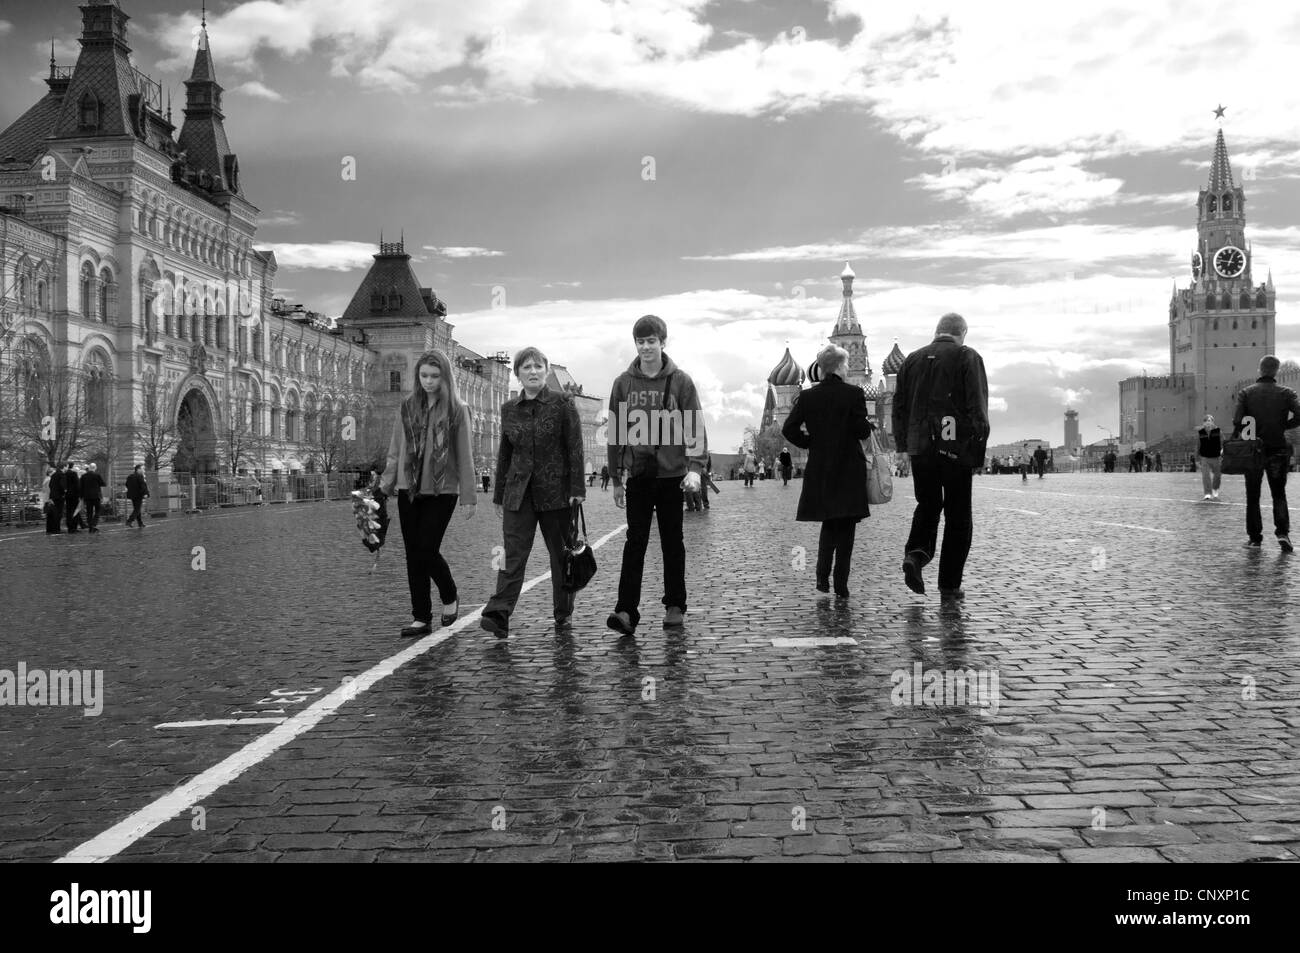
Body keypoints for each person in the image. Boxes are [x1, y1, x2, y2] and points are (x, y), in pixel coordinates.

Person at [605, 314, 707, 636]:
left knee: (671, 542)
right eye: (641, 341)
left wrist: (694, 468)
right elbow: (615, 433)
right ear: (635, 344)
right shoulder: (623, 383)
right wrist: (617, 478)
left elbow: (694, 426)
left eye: (652, 341)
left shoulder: (681, 382)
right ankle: (625, 611)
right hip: (638, 475)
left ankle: (675, 604)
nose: (646, 347)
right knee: (634, 542)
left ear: (663, 342)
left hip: (671, 476)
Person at [481, 348, 585, 639]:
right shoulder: (508, 409)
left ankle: (562, 611)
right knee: (513, 554)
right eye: (526, 367)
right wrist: (499, 492)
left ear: (546, 369)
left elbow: (575, 448)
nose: (533, 371)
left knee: (560, 556)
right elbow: (505, 453)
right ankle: (499, 613)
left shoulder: (562, 403)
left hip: (557, 492)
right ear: (518, 374)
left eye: (538, 366)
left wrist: (577, 488)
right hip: (518, 493)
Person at [892, 312, 990, 600]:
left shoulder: (911, 360)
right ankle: (949, 583)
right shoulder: (966, 356)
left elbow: (898, 407)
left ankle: (916, 555)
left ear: (937, 331)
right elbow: (977, 407)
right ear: (962, 333)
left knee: (928, 505)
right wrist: (976, 454)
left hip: (921, 447)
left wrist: (903, 446)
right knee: (958, 515)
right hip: (954, 449)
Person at [380, 349, 477, 637]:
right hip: (408, 489)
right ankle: (421, 617)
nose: (429, 381)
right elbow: (396, 450)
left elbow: (465, 456)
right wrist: (384, 486)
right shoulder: (407, 406)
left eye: (435, 376)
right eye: (424, 375)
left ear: (445, 376)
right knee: (413, 554)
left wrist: (469, 496)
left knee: (426, 549)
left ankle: (449, 594)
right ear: (417, 376)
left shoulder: (458, 410)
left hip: (442, 491)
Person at [781, 344, 872, 598]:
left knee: (829, 523)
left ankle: (822, 578)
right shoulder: (854, 393)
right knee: (847, 526)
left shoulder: (809, 397)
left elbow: (789, 429)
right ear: (841, 367)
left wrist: (811, 443)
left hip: (821, 467)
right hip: (849, 468)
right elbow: (862, 430)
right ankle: (841, 584)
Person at [1232, 354, 1300, 551]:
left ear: (1260, 370)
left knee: (1252, 495)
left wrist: (1249, 433)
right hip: (1278, 448)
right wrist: (1283, 425)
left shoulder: (1246, 393)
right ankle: (1282, 533)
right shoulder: (1287, 392)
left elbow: (1238, 421)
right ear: (1276, 371)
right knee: (1279, 493)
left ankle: (1255, 538)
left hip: (1254, 450)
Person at [1196, 414, 1223, 501]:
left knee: (1217, 475)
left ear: (1213, 422)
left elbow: (1223, 442)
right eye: (1206, 421)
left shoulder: (1218, 432)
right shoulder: (1201, 433)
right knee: (1205, 476)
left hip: (1216, 457)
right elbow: (1197, 446)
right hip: (1205, 458)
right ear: (1204, 423)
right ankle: (1207, 493)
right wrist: (1196, 459)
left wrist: (1223, 450)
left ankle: (1215, 490)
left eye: (1210, 421)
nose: (1208, 423)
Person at [80, 462, 105, 533]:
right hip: (96, 496)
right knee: (98, 510)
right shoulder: (97, 475)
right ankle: (94, 524)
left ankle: (90, 527)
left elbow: (81, 487)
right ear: (95, 468)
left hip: (87, 497)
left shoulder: (83, 476)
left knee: (89, 512)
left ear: (89, 468)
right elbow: (103, 483)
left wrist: (81, 497)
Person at [48, 463, 66, 534]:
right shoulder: (62, 475)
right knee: (59, 513)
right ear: (64, 467)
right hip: (59, 496)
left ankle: (53, 528)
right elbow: (62, 486)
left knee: (55, 513)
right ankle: (57, 529)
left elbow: (50, 485)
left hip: (53, 496)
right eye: (66, 467)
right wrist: (64, 492)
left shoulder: (53, 475)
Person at [64, 463, 82, 533]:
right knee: (75, 511)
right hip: (74, 495)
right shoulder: (74, 474)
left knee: (68, 511)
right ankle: (74, 527)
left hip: (67, 495)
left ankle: (69, 527)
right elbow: (77, 485)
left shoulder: (65, 474)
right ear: (73, 466)